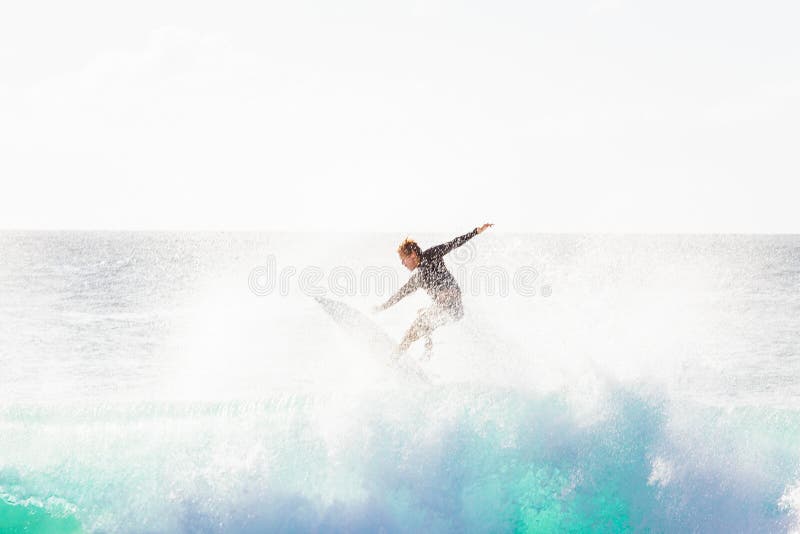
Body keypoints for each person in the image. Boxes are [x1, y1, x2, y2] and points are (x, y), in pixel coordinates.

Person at [374, 223, 494, 357]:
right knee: (413, 329)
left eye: (403, 260)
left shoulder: (432, 255)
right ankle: (415, 349)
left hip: (452, 304)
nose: (403, 264)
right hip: (449, 311)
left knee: (424, 317)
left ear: (412, 254)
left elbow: (453, 243)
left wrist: (476, 231)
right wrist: (383, 307)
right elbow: (401, 293)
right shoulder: (418, 278)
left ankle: (406, 353)